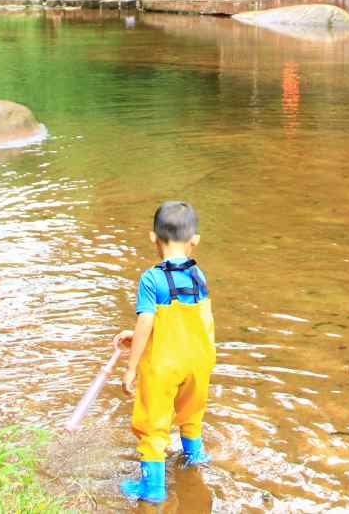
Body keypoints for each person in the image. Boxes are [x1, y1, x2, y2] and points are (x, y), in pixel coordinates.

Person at [114, 201, 216, 503]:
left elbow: (147, 319)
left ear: (153, 239)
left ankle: (153, 487)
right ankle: (195, 456)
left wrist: (131, 366)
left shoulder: (151, 279)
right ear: (194, 241)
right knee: (191, 410)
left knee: (153, 421)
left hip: (164, 366)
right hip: (198, 362)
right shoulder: (199, 276)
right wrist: (139, 337)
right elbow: (192, 321)